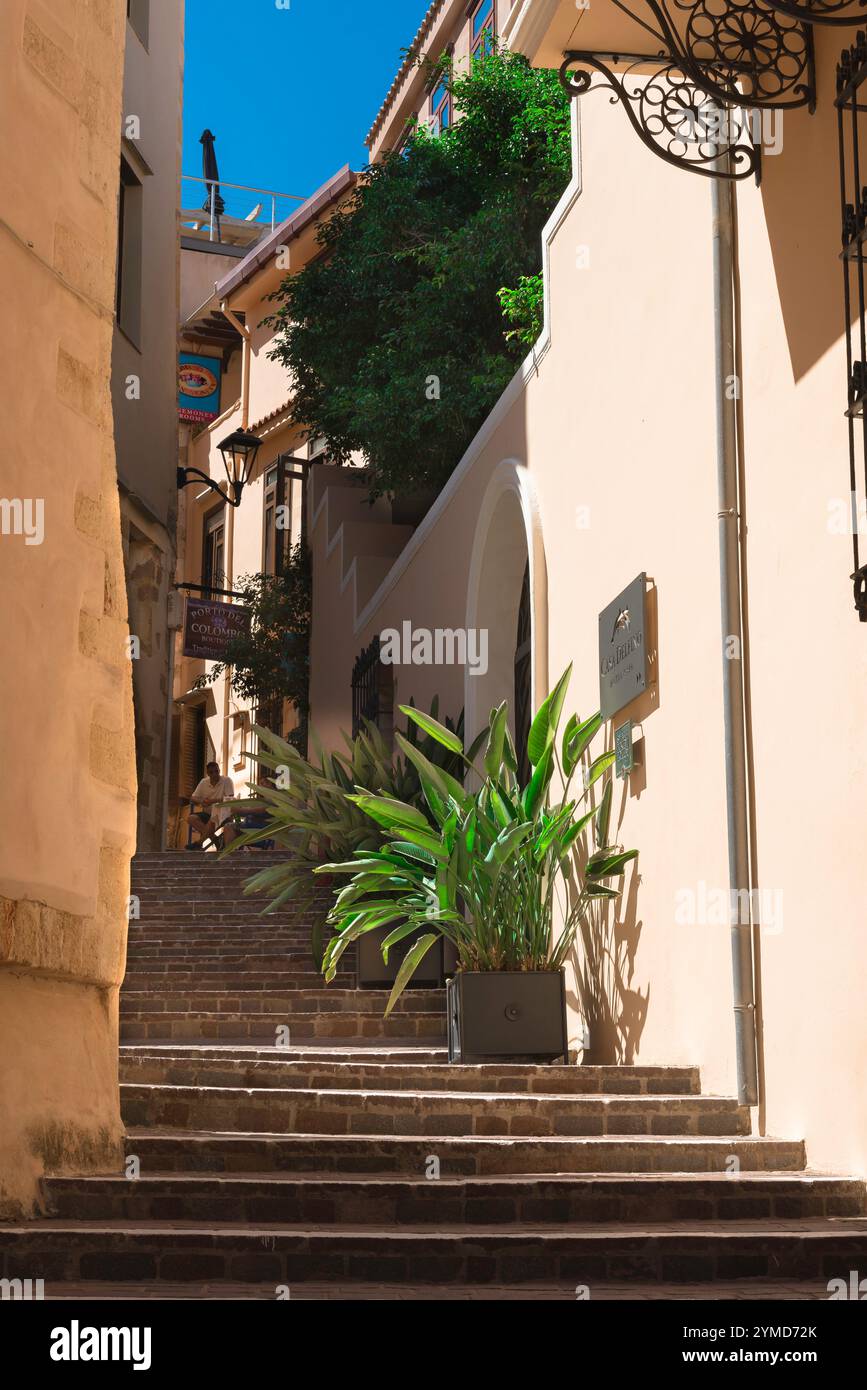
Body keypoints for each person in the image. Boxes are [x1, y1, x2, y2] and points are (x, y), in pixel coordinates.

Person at [187, 762, 237, 851]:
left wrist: (211, 801)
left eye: (216, 771)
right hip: (208, 813)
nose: (214, 774)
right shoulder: (204, 782)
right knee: (191, 818)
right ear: (208, 773)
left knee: (213, 818)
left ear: (219, 771)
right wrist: (202, 801)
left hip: (224, 815)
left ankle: (199, 843)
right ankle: (216, 840)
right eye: (211, 772)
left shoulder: (227, 781)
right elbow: (193, 797)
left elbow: (230, 798)